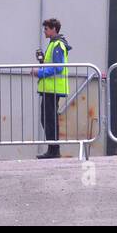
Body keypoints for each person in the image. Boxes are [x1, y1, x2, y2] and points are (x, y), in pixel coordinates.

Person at [34, 18, 70, 159]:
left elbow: (58, 68)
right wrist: (42, 62)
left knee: (49, 119)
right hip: (49, 89)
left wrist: (39, 72)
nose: (44, 31)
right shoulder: (54, 44)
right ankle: (53, 149)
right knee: (47, 119)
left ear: (54, 29)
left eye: (46, 29)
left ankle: (54, 150)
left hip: (53, 89)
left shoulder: (58, 45)